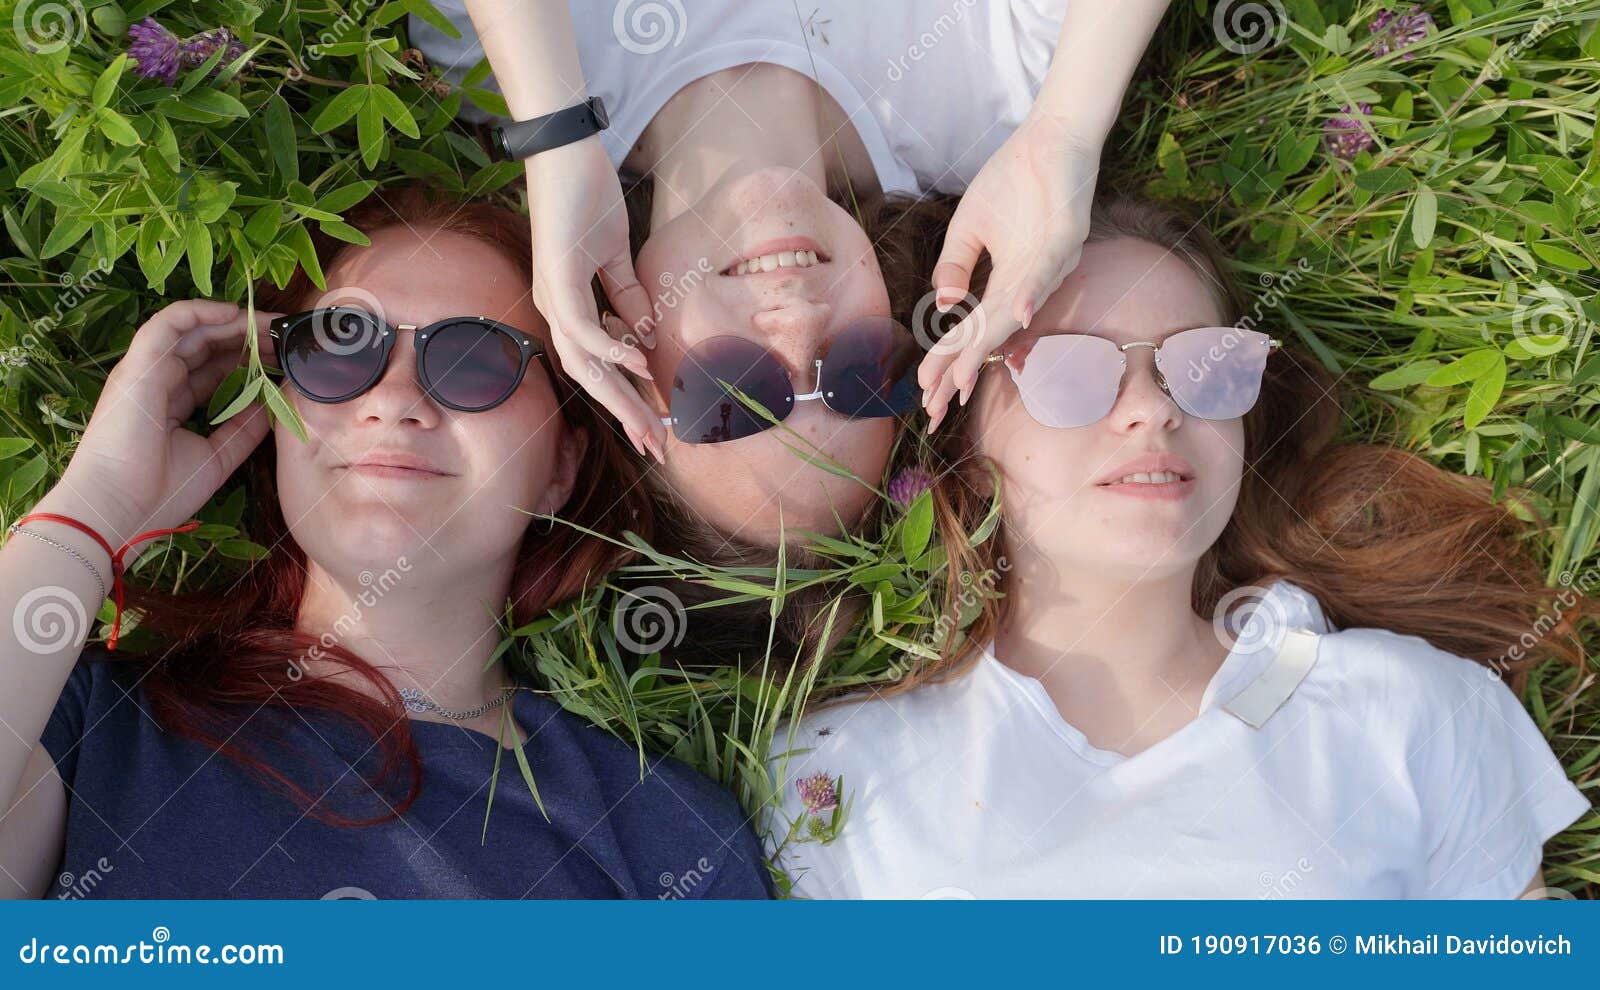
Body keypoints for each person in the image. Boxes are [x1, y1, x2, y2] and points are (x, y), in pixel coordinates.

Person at [765, 195, 1592, 898]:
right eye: (1067, 371)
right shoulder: (836, 773)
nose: (1153, 410)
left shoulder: (1412, 713)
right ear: (968, 456)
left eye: (1204, 366)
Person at [0, 185, 772, 899]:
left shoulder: (665, 837)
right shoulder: (88, 726)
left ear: (559, 465)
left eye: (475, 359)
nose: (396, 399)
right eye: (340, 347)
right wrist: (99, 502)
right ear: (275, 407)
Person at [410, 0, 1171, 546]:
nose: (798, 321)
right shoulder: (995, 102)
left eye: (733, 392)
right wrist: (1068, 127)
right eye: (860, 376)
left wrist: (555, 135)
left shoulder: (493, 59)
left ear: (621, 358)